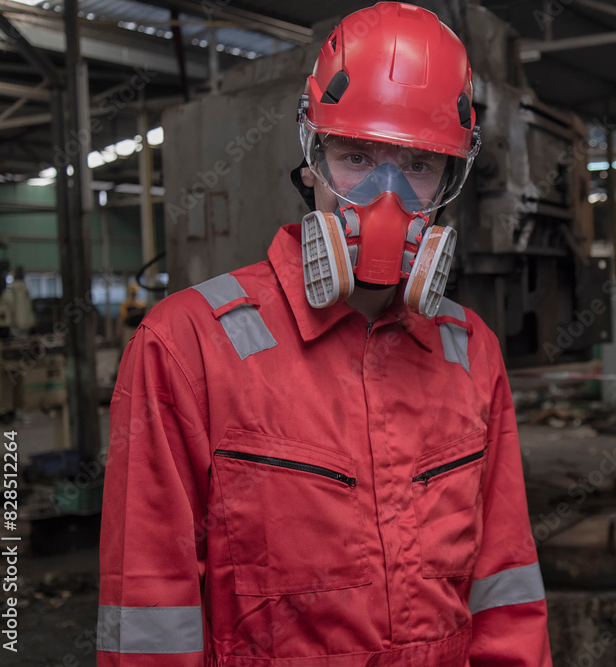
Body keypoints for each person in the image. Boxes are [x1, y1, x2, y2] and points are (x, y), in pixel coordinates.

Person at [96, 3, 552, 666]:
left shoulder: (470, 349)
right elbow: (149, 620)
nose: (386, 195)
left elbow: (505, 593)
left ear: (452, 181)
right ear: (310, 156)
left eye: (419, 165)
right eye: (357, 155)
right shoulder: (186, 348)